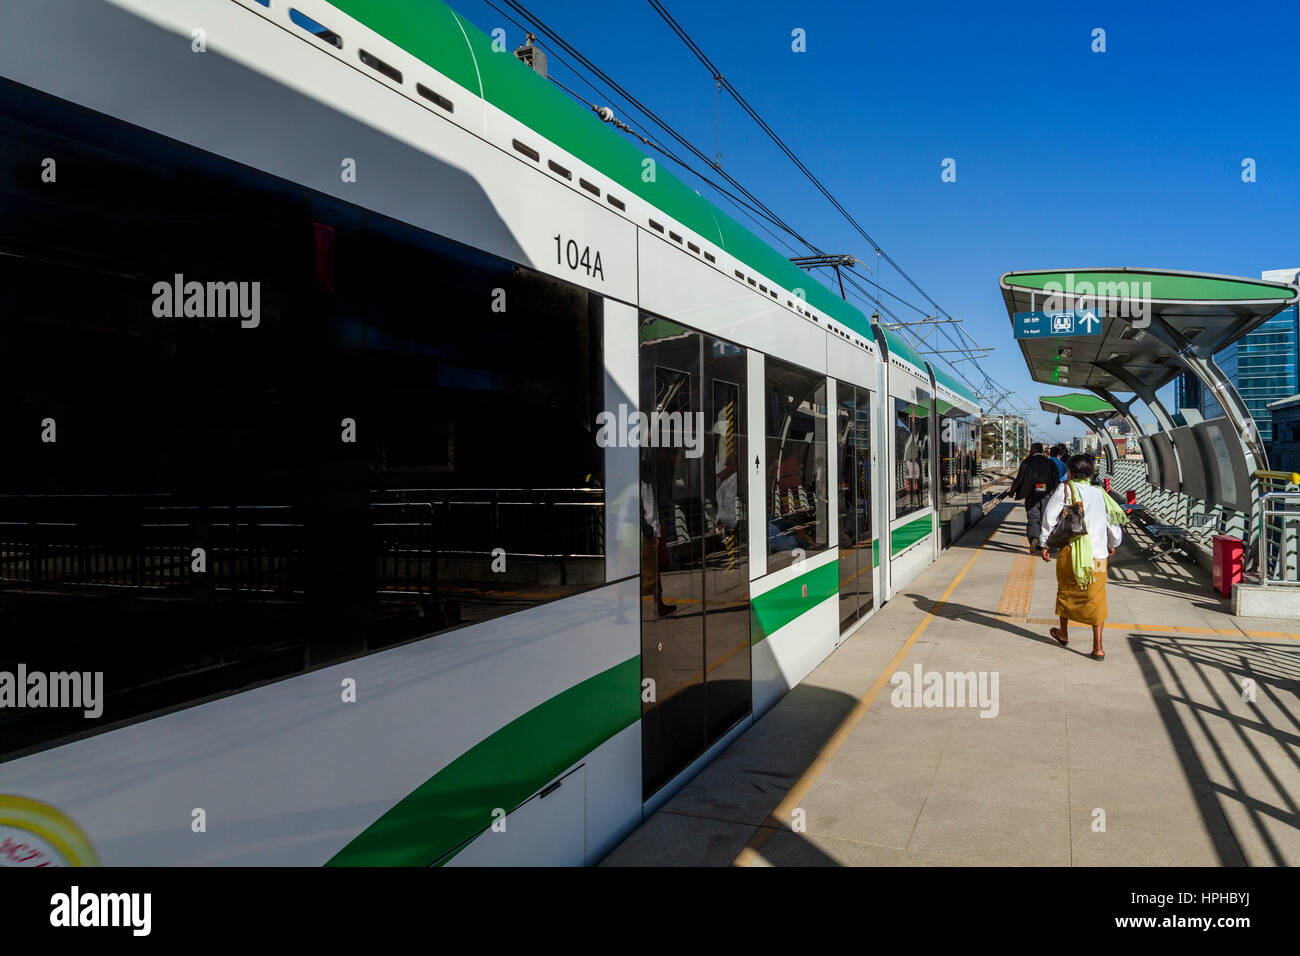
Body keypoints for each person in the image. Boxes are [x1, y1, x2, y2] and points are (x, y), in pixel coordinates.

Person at [1039, 455, 1127, 660]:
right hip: (1098, 555)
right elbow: (1112, 523)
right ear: (1091, 473)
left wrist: (1045, 543)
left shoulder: (1065, 489)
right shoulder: (1101, 493)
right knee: (1097, 599)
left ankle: (1063, 633)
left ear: (1070, 471)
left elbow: (1049, 518)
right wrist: (1112, 544)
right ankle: (1098, 647)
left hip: (1071, 551)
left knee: (1066, 591)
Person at [1010, 442, 1060, 552]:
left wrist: (1012, 491)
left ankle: (1034, 538)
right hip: (1046, 493)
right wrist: (1056, 492)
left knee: (1033, 517)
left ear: (1033, 450)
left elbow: (1019, 478)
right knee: (1045, 517)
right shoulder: (1050, 462)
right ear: (1041, 450)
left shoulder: (1027, 462)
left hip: (1031, 493)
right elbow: (1056, 479)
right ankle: (1044, 541)